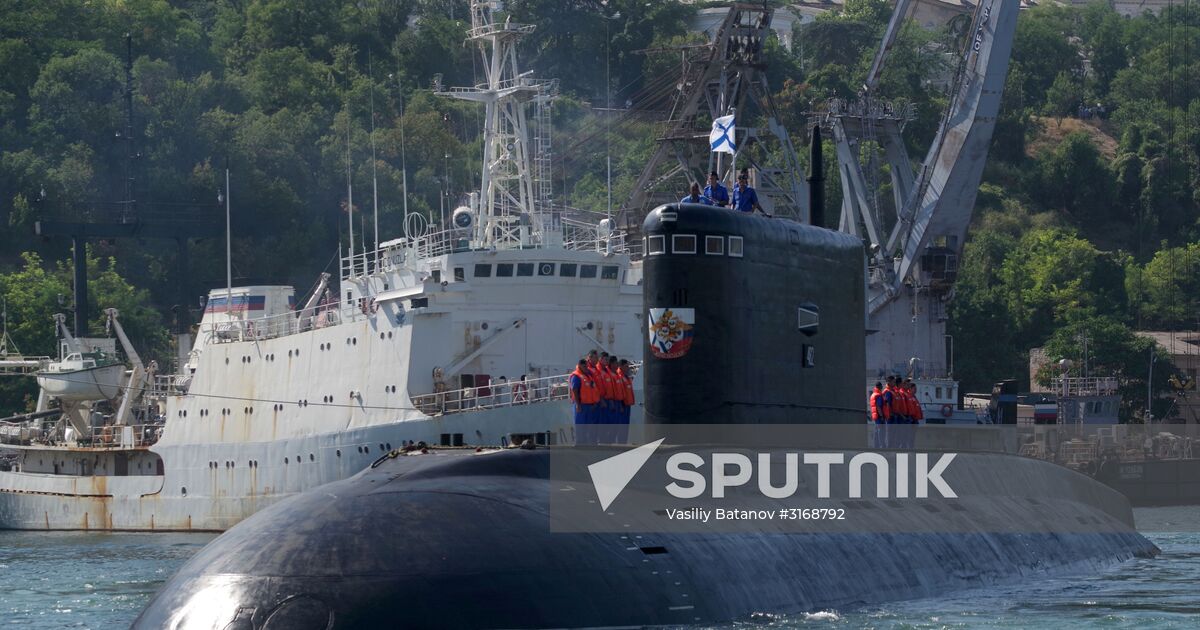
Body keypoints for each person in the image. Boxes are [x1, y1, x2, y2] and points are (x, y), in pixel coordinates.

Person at [570, 359, 600, 445]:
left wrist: (594, 402)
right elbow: (575, 390)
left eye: (587, 366)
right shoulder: (576, 376)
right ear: (579, 366)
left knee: (589, 425)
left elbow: (593, 390)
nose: (586, 368)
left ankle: (587, 442)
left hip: (589, 405)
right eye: (584, 366)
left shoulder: (588, 376)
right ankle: (579, 442)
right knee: (580, 424)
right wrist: (578, 404)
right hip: (581, 405)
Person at [617, 358, 635, 444]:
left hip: (627, 405)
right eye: (626, 366)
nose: (628, 368)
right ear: (621, 366)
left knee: (625, 426)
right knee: (621, 426)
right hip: (622, 405)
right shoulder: (619, 377)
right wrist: (620, 405)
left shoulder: (626, 377)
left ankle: (623, 442)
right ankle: (621, 442)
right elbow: (619, 392)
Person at [869, 382, 889, 449]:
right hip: (879, 416)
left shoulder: (873, 395)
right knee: (881, 431)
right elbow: (878, 406)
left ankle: (876, 445)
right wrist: (881, 416)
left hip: (875, 416)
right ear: (880, 387)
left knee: (877, 431)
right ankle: (882, 445)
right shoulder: (879, 395)